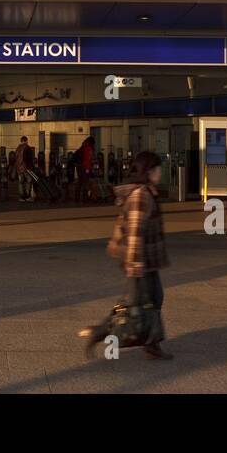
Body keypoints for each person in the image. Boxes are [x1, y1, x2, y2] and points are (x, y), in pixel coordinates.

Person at [79, 150, 171, 360]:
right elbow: (134, 234)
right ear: (149, 171)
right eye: (157, 169)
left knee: (154, 298)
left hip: (146, 259)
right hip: (138, 259)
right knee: (134, 304)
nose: (160, 173)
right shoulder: (141, 196)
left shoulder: (148, 192)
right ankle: (100, 332)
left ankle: (152, 344)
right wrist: (134, 266)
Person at [15, 136, 35, 202]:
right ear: (26, 141)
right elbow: (28, 159)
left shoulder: (17, 148)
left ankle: (21, 197)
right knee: (29, 182)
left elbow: (16, 159)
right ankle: (27, 196)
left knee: (21, 182)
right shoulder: (27, 148)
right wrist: (31, 167)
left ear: (21, 141)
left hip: (19, 169)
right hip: (26, 168)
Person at [76, 136, 96, 203]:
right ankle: (85, 198)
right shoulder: (88, 148)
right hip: (84, 168)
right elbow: (87, 160)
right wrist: (88, 169)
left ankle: (77, 198)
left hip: (79, 167)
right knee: (86, 184)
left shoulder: (83, 146)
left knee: (80, 183)